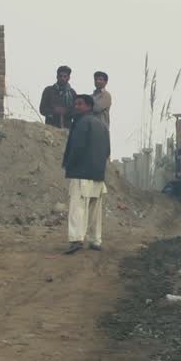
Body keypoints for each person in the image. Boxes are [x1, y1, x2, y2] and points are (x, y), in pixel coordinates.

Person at [61, 95, 112, 254]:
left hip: (81, 172)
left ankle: (76, 240)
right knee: (95, 211)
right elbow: (107, 151)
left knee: (78, 207)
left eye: (80, 104)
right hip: (97, 173)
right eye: (75, 104)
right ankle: (95, 240)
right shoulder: (102, 125)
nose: (76, 107)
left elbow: (77, 148)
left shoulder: (81, 123)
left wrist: (69, 164)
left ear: (89, 106)